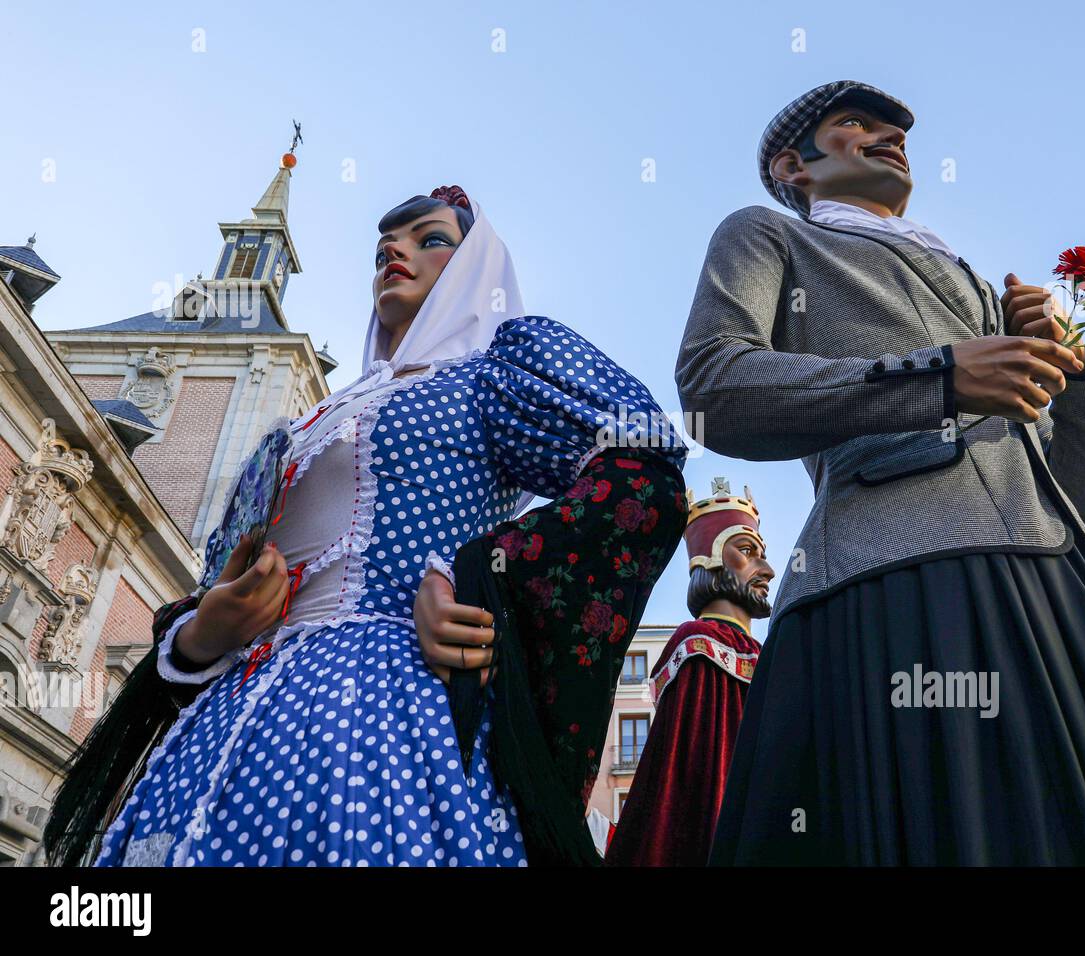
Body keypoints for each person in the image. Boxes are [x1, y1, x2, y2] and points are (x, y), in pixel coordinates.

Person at [676, 80, 1085, 865]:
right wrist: (936, 377)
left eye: (899, 127)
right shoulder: (768, 235)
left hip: (1068, 593)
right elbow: (714, 388)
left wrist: (1073, 375)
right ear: (791, 167)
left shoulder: (977, 286)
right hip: (899, 581)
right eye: (855, 124)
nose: (892, 134)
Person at [45, 185, 688, 867]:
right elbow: (214, 577)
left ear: (478, 270)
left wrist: (480, 577)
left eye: (429, 238)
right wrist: (207, 630)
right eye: (388, 240)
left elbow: (642, 468)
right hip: (222, 725)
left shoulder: (488, 380)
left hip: (387, 721)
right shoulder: (310, 421)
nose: (394, 249)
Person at [604, 478, 770, 866]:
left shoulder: (765, 652)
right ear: (709, 558)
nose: (768, 569)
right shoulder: (697, 638)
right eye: (747, 551)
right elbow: (693, 775)